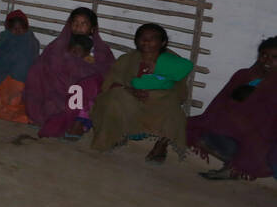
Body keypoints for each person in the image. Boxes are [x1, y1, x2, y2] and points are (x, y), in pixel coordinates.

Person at [90, 23, 193, 163]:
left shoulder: (173, 62)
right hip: (130, 99)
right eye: (142, 38)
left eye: (153, 38)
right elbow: (110, 83)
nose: (146, 41)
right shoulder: (127, 59)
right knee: (113, 97)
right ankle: (113, 136)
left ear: (163, 42)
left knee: (172, 107)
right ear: (136, 40)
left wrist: (154, 94)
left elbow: (179, 90)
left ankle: (161, 145)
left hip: (159, 101)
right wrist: (131, 90)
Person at [189, 35, 277, 180]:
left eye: (274, 57)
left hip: (260, 141)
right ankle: (233, 165)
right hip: (230, 131)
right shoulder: (245, 76)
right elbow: (223, 103)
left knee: (257, 155)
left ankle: (234, 167)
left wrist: (247, 126)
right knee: (187, 126)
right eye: (264, 55)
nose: (267, 61)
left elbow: (271, 122)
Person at [23, 6, 114, 138]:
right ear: (69, 25)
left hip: (81, 92)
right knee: (37, 72)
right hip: (58, 89)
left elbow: (106, 71)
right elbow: (45, 64)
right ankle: (45, 115)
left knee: (90, 84)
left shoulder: (100, 49)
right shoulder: (60, 44)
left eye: (84, 24)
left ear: (92, 28)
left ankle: (78, 123)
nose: (78, 27)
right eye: (75, 23)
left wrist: (81, 67)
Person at [0, 10, 41, 123]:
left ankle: (12, 100)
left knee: (17, 104)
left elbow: (30, 66)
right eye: (14, 28)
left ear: (26, 27)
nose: (18, 31)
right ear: (8, 28)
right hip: (1, 80)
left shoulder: (31, 42)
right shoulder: (4, 37)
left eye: (21, 28)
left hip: (20, 85)